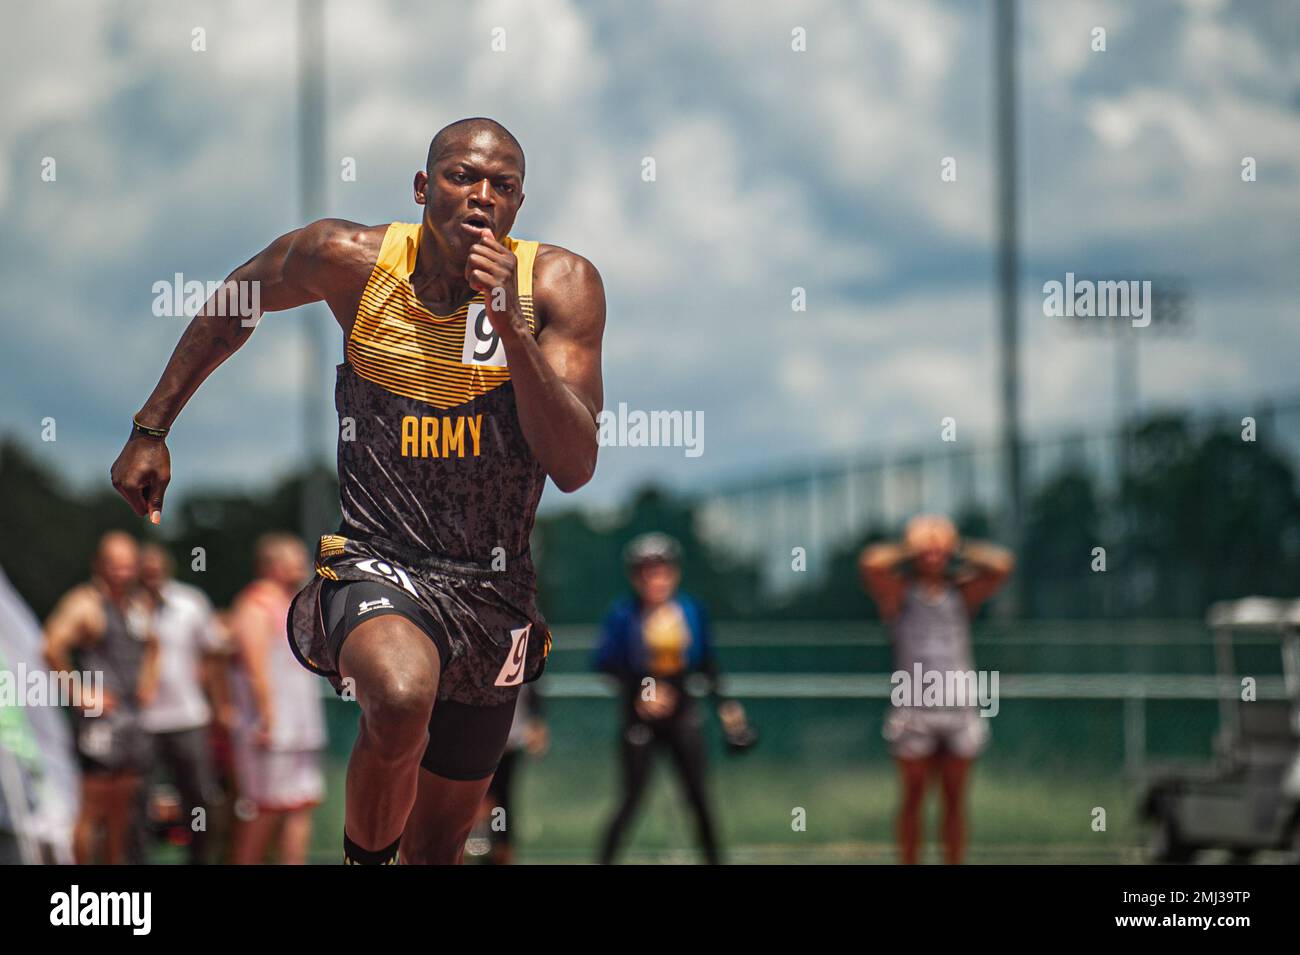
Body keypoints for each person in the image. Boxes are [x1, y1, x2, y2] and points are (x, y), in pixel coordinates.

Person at [110, 116, 605, 865]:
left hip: (493, 588)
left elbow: (573, 462)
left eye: (501, 187)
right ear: (421, 187)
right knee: (401, 696)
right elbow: (239, 296)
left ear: (518, 205)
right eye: (460, 177)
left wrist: (510, 329)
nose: (480, 198)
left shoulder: (557, 285)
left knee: (438, 847)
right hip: (378, 561)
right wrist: (153, 426)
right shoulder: (349, 259)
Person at [858, 515, 1014, 865]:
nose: (932, 551)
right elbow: (869, 562)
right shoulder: (898, 592)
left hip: (959, 708)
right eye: (925, 546)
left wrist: (956, 545)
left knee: (955, 802)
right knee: (912, 800)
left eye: (938, 546)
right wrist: (910, 547)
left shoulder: (962, 592)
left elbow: (1003, 564)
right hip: (914, 708)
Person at [593, 533, 751, 865]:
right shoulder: (623, 615)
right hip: (639, 717)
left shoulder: (691, 610)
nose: (654, 578)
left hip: (682, 712)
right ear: (635, 576)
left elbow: (707, 662)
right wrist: (641, 692)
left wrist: (726, 705)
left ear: (674, 573)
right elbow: (604, 663)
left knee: (699, 798)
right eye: (646, 572)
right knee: (632, 798)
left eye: (661, 570)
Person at [42, 532, 159, 864]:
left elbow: (153, 645)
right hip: (100, 721)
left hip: (132, 718)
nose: (122, 573)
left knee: (123, 808)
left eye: (128, 566)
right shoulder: (85, 602)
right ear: (100, 565)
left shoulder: (138, 604)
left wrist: (149, 681)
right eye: (115, 566)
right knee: (94, 808)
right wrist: (77, 691)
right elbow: (51, 645)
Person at [227, 534, 326, 865]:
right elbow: (254, 667)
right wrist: (268, 718)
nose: (303, 565)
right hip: (269, 728)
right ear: (272, 565)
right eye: (295, 558)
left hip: (301, 726)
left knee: (300, 807)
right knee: (263, 811)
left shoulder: (296, 604)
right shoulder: (252, 606)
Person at [132, 543, 226, 863]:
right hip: (141, 720)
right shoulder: (126, 605)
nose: (152, 576)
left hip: (189, 716)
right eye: (146, 571)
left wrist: (219, 704)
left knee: (199, 798)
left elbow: (212, 655)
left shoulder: (191, 603)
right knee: (137, 799)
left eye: (157, 570)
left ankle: (201, 859)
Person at [472, 684, 547, 864]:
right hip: (478, 742)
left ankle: (499, 846)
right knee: (482, 798)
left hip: (509, 743)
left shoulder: (523, 665)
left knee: (501, 800)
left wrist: (536, 722)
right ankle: (482, 843)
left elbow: (533, 690)